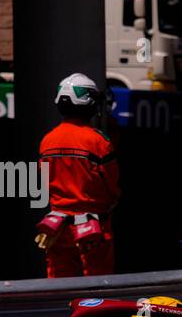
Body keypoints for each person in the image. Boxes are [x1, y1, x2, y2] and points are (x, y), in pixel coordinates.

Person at [36, 73, 121, 277]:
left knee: (60, 283)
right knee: (96, 284)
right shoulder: (98, 142)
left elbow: (43, 180)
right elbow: (112, 186)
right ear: (89, 104)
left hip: (57, 227)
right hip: (93, 228)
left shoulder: (47, 140)